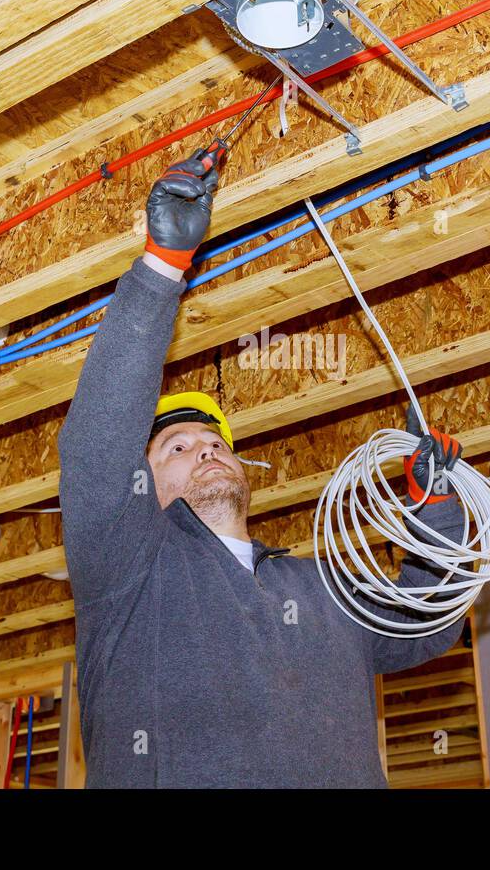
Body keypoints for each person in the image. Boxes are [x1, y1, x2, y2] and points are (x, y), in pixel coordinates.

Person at [58, 151, 468, 787]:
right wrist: (161, 269)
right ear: (143, 489)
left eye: (214, 441)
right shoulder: (130, 569)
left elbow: (424, 625)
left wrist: (435, 509)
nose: (205, 449)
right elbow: (96, 444)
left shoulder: (318, 590)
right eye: (176, 448)